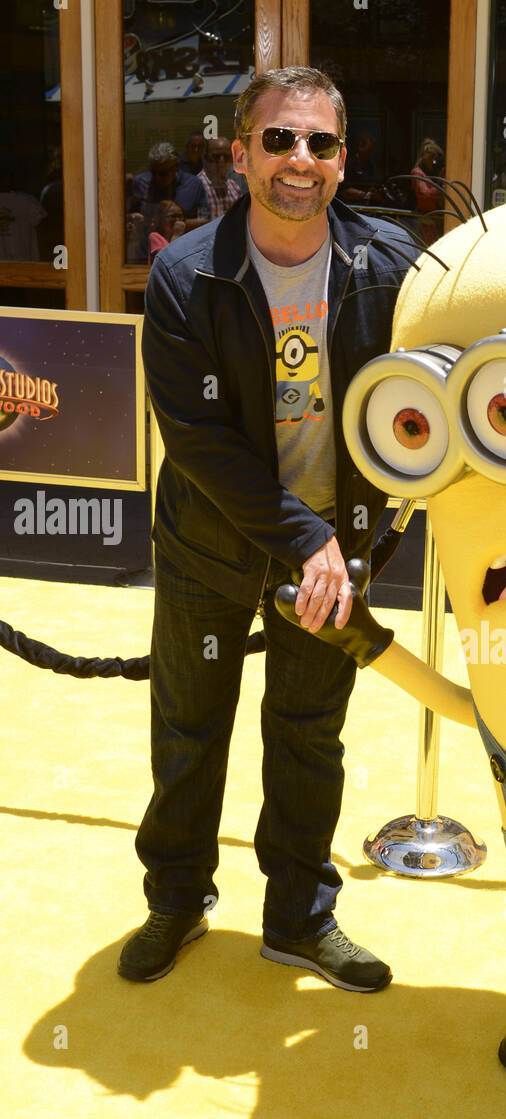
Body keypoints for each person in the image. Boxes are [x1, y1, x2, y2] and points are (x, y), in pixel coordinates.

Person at [120, 67, 416, 991]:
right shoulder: (185, 273)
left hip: (338, 549)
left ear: (340, 160)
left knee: (306, 732)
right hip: (215, 539)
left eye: (320, 144)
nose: (301, 160)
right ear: (240, 152)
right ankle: (176, 899)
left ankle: (297, 918)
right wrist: (303, 537)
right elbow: (200, 441)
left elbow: (429, 394)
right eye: (280, 140)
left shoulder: (392, 262)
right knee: (190, 724)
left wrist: (361, 533)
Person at [196, 135, 243, 220]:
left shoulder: (234, 187)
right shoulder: (197, 185)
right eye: (216, 157)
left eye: (226, 157)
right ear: (206, 158)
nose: (222, 162)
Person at [410, 138, 445, 244]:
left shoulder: (427, 173)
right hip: (425, 219)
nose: (433, 162)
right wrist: (442, 188)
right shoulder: (417, 173)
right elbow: (424, 194)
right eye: (432, 158)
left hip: (434, 218)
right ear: (425, 158)